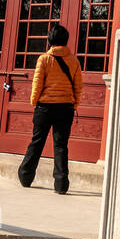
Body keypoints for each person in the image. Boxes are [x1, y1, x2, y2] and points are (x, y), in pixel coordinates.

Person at [18, 24, 83, 194]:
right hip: (65, 108)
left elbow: (37, 84)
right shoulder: (74, 60)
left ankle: (26, 176)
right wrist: (74, 104)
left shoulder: (44, 59)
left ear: (50, 40)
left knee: (37, 141)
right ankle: (61, 184)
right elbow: (78, 87)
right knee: (61, 145)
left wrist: (34, 102)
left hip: (45, 108)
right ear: (65, 40)